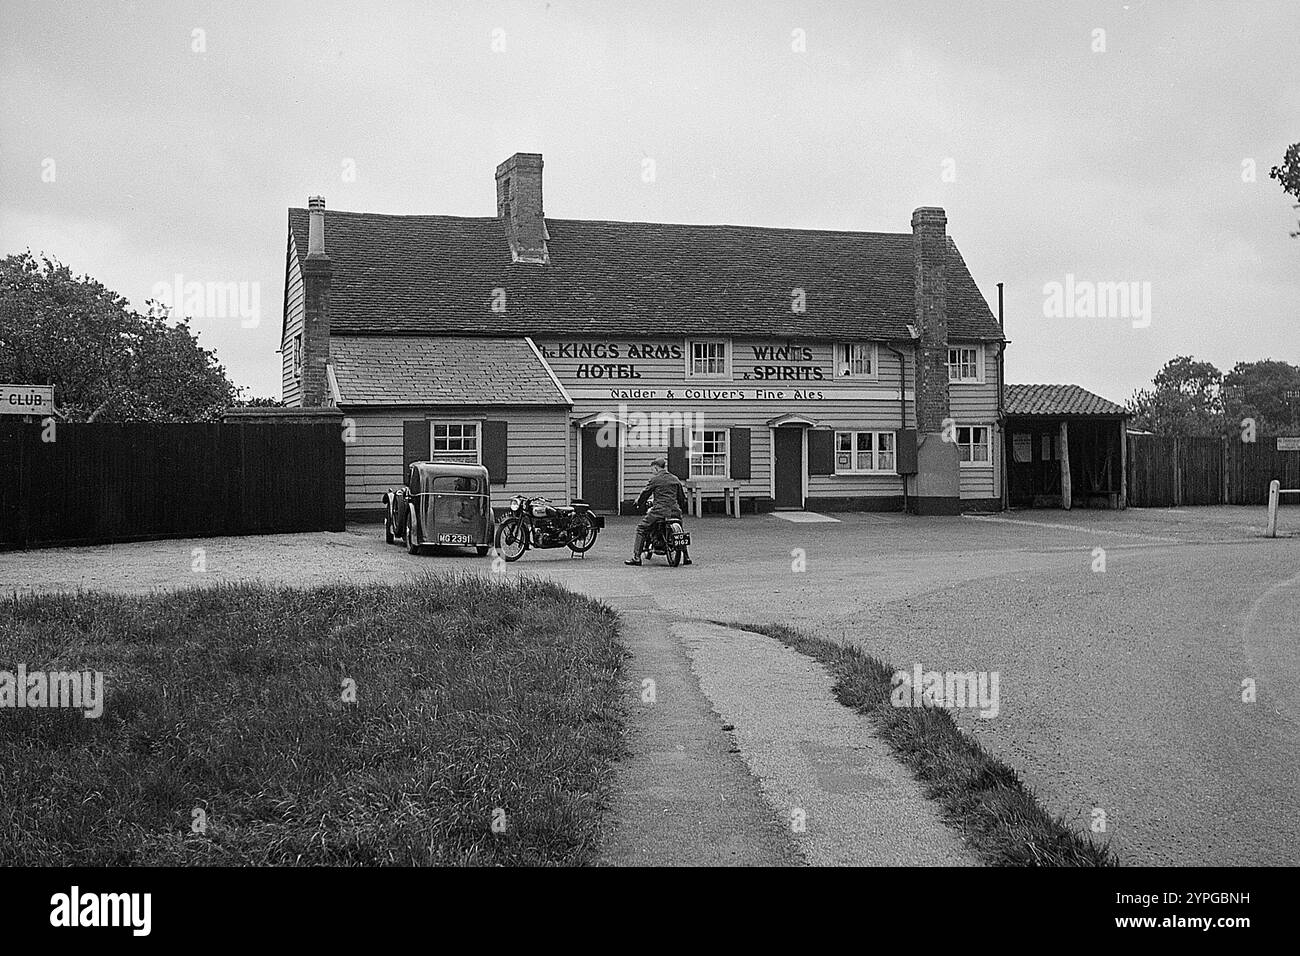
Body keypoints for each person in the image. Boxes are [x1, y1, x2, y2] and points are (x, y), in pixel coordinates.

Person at [626, 458, 692, 566]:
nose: (652, 471)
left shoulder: (655, 480)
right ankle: (686, 557)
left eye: (652, 469)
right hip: (675, 512)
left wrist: (638, 502)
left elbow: (645, 493)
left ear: (656, 467)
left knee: (641, 528)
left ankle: (636, 557)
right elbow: (681, 498)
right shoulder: (675, 479)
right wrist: (679, 507)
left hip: (659, 511)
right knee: (680, 533)